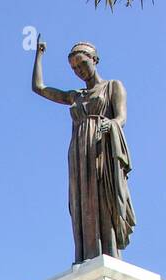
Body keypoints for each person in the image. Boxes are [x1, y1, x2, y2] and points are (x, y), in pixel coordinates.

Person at [31, 38, 136, 262]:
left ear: (94, 60)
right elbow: (39, 88)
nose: (79, 71)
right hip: (79, 153)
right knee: (81, 202)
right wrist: (39, 55)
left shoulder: (113, 86)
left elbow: (121, 117)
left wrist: (112, 124)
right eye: (74, 68)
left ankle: (108, 250)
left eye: (82, 64)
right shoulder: (75, 96)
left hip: (101, 149)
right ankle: (85, 255)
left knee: (102, 198)